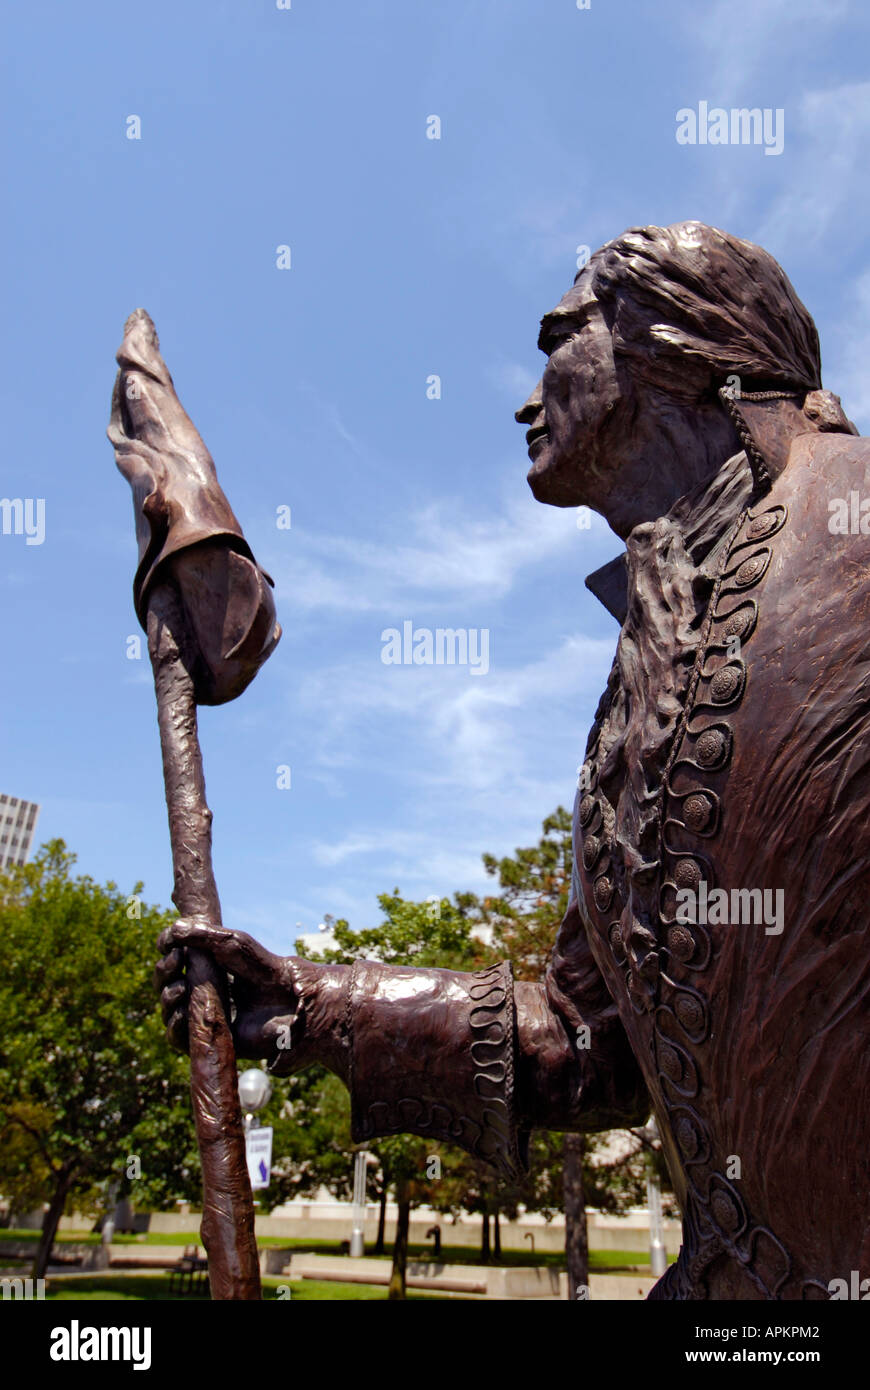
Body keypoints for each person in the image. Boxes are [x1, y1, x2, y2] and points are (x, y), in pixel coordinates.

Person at [155, 222, 870, 1299]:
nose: (528, 398)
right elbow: (589, 1046)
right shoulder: (645, 672)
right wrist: (312, 1001)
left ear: (671, 335)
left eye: (557, 338)